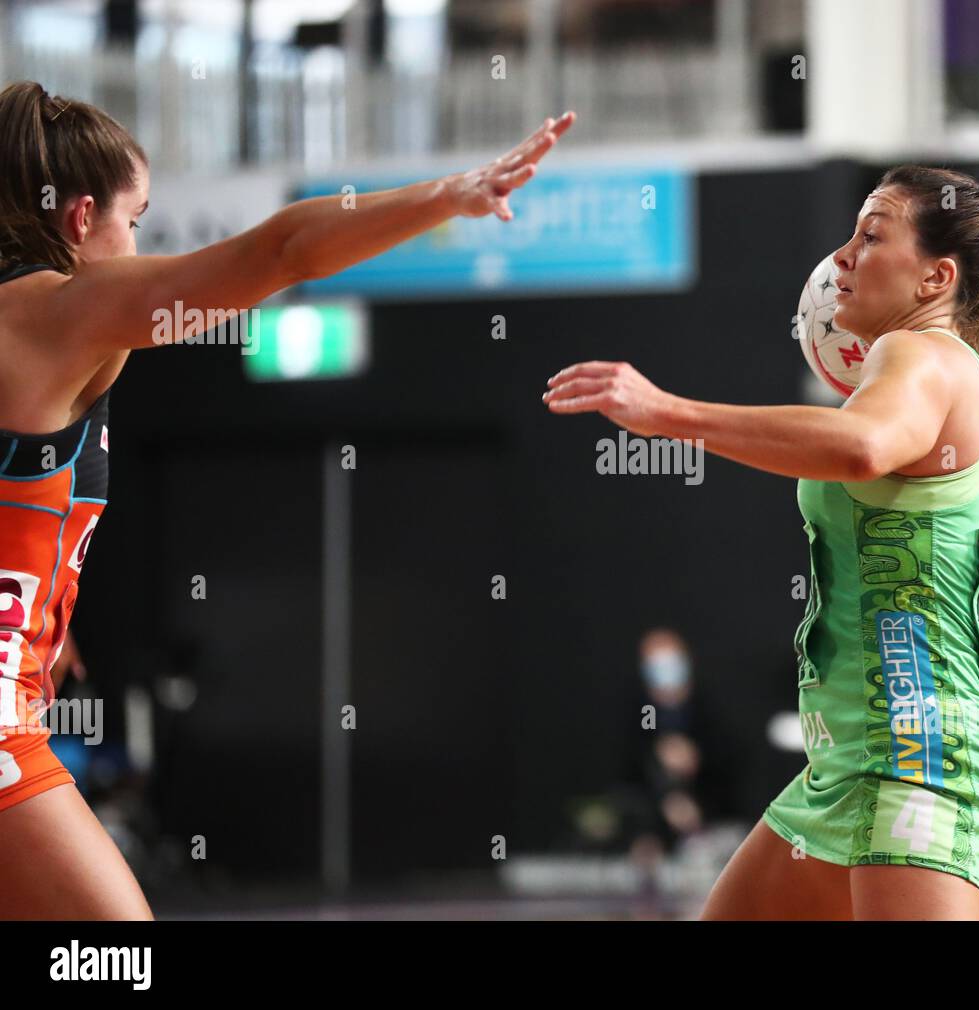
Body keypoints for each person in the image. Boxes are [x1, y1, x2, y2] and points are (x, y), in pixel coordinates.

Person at [0, 80, 574, 919]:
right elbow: (282, 251)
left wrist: (45, 610)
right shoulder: (60, 312)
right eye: (138, 220)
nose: (141, 245)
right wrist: (451, 194)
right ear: (80, 219)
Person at [545, 166, 979, 920]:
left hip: (922, 756)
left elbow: (861, 447)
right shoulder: (948, 376)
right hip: (853, 761)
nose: (842, 256)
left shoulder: (923, 357)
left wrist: (666, 411)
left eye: (871, 236)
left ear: (936, 277)